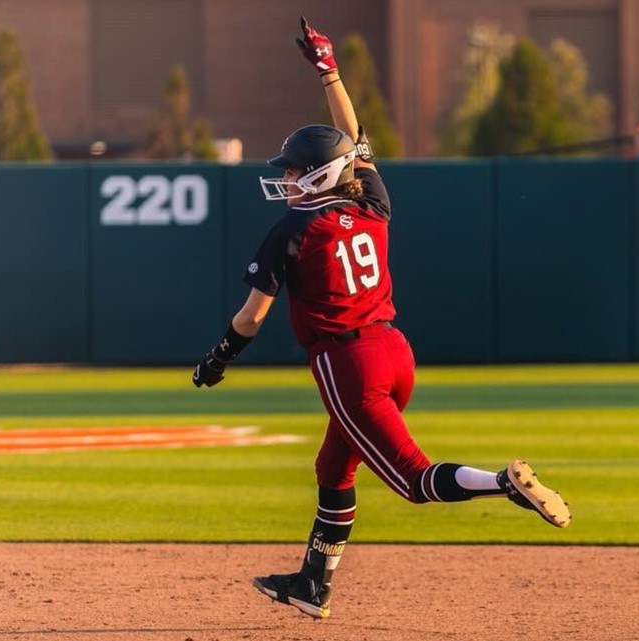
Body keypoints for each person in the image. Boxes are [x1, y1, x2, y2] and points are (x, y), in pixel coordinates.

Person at [191, 17, 571, 620]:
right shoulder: (372, 205)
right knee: (332, 467)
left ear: (314, 176)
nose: (285, 177)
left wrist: (216, 360)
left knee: (415, 482)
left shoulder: (292, 228)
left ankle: (501, 482)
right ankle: (312, 585)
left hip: (349, 363)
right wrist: (329, 72)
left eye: (292, 170)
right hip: (394, 353)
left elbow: (250, 317)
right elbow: (355, 139)